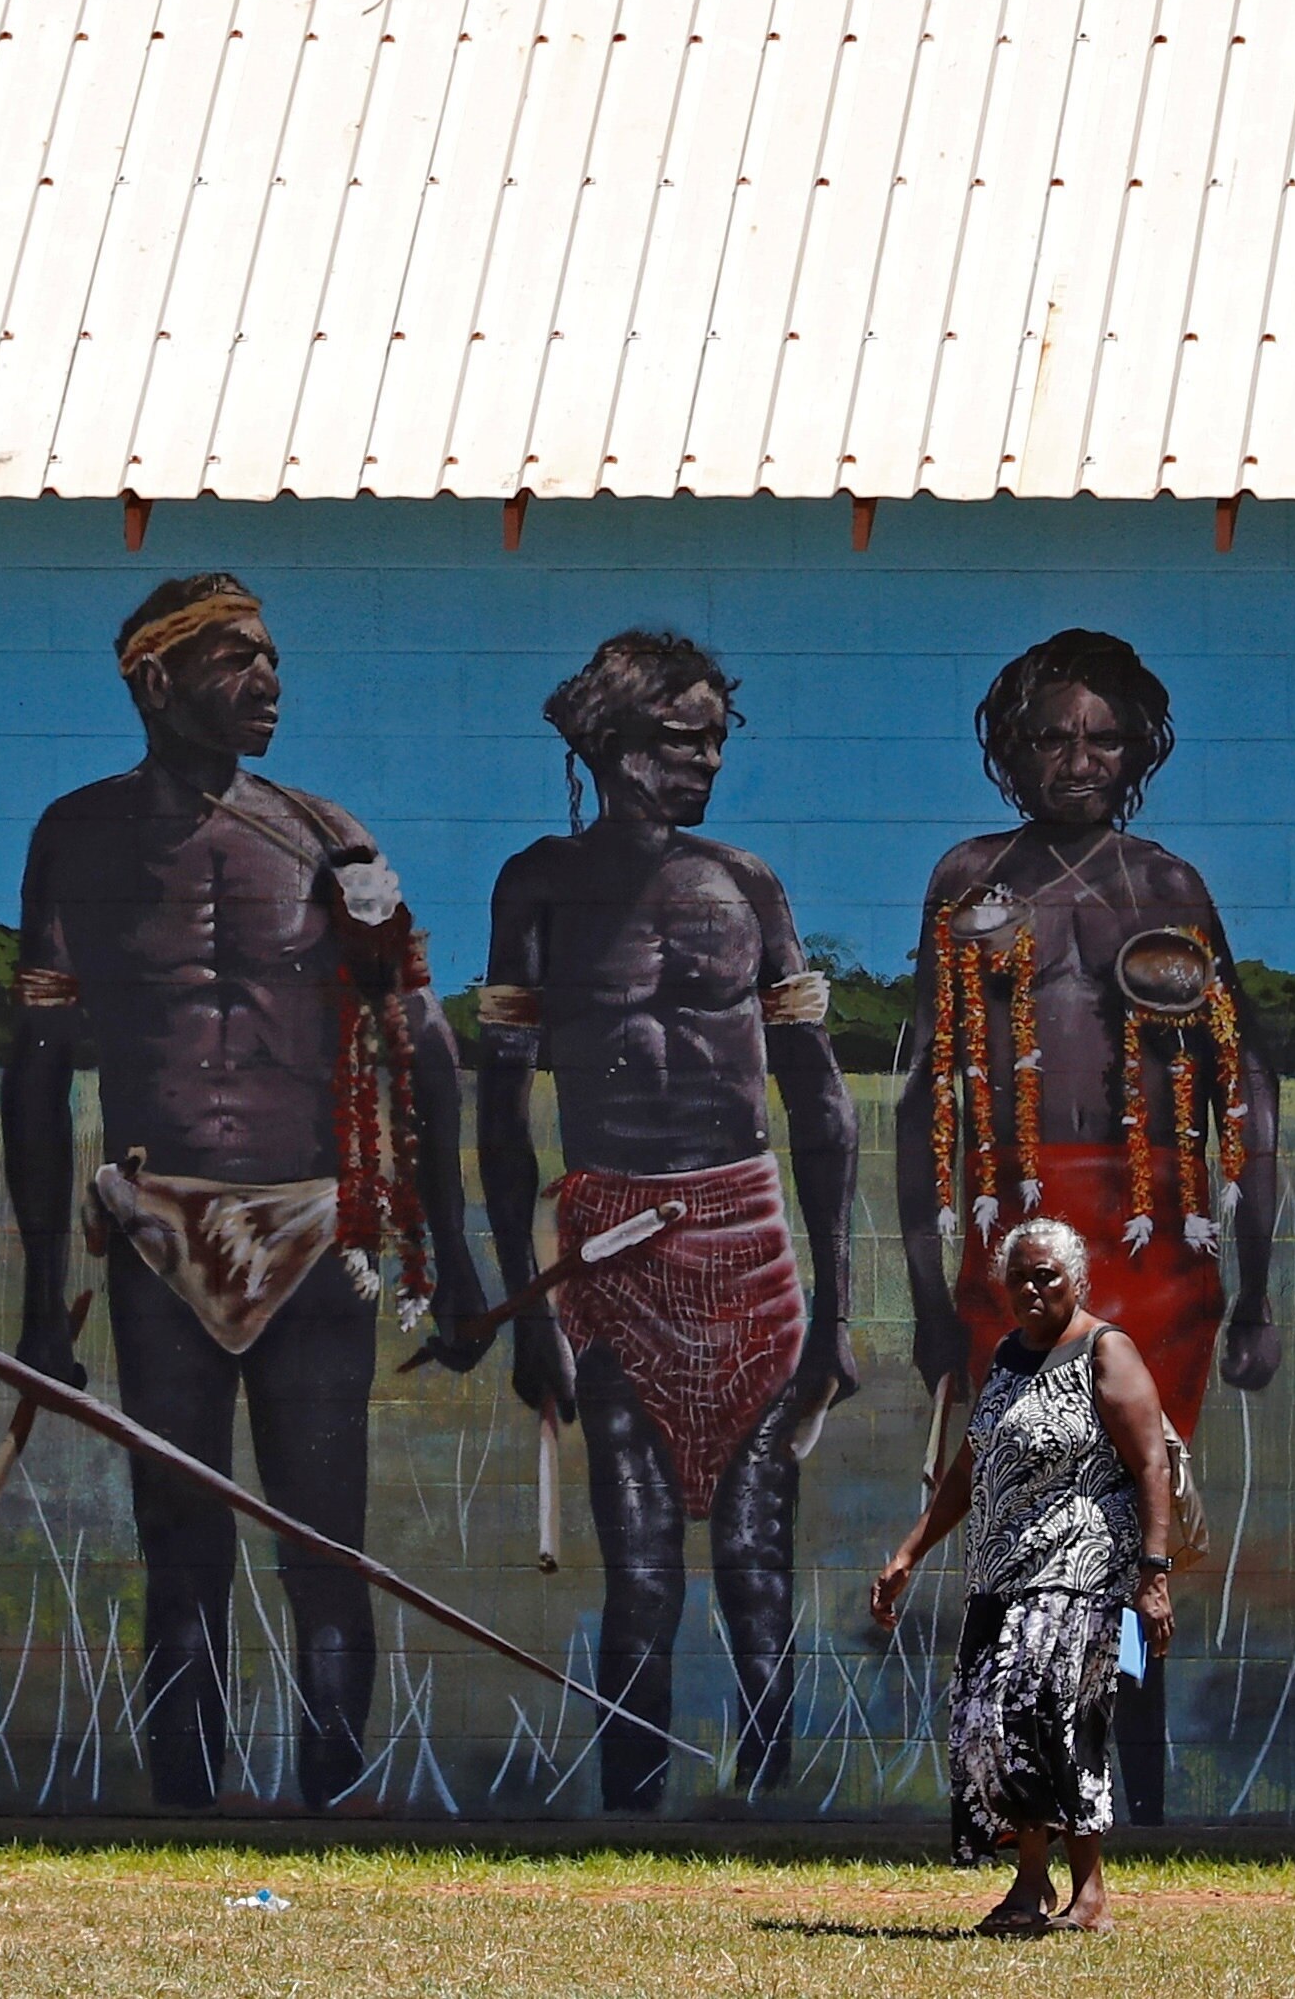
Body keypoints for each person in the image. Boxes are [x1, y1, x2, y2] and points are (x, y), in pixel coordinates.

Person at [2, 572, 487, 1811]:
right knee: (182, 1544)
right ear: (152, 681)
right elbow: (40, 1064)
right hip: (156, 1226)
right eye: (231, 659)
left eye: (270, 658)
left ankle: (331, 1806)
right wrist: (32, 1292)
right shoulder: (79, 835)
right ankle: (187, 1809)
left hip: (312, 1226)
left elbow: (418, 1040)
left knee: (323, 1542)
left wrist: (459, 1261)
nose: (265, 679)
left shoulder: (327, 836)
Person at [895, 628, 1275, 1822]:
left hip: (1153, 1229)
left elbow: (1241, 1079)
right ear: (1012, 749)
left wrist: (1253, 1287)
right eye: (1051, 736)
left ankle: (1127, 1786)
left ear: (1136, 751)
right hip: (1009, 1233)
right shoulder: (965, 878)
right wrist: (919, 1295)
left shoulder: (1165, 888)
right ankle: (1037, 1787)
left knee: (1131, 1502)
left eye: (1100, 737)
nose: (1075, 759)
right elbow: (922, 1091)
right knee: (1026, 1499)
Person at [479, 630, 856, 1809]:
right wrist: (522, 1312)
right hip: (603, 1244)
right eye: (670, 738)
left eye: (709, 739)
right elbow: (500, 1113)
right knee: (638, 1565)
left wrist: (834, 1310)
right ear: (603, 741)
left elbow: (819, 1098)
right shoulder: (534, 884)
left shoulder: (747, 884)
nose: (697, 760)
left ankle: (768, 1789)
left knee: (754, 1555)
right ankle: (632, 1798)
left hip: (743, 1239)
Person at [871, 1218, 1175, 1936]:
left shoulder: (1107, 1351)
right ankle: (1029, 1886)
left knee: (1053, 1719)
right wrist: (910, 1552)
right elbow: (973, 1465)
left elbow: (1153, 1464)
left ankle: (1089, 1894)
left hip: (1082, 1571)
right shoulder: (1008, 1356)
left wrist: (1153, 1576)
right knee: (991, 1728)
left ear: (1078, 1281)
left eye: (1048, 1275)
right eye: (1021, 1277)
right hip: (998, 1577)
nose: (1034, 1288)